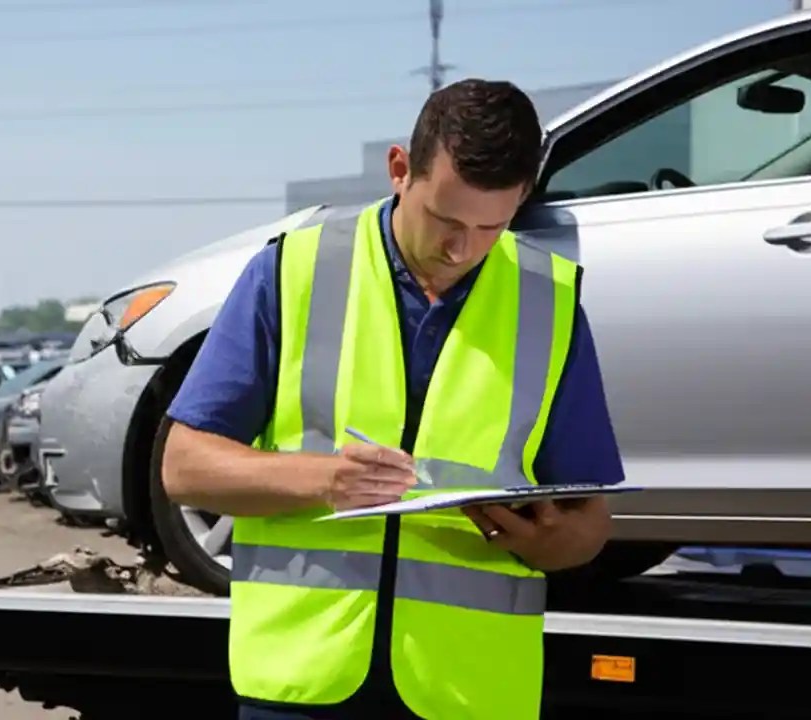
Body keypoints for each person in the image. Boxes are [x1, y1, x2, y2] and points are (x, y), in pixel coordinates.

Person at [159, 78, 625, 719]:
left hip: (469, 692)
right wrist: (327, 480)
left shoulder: (549, 303)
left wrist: (548, 542)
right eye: (445, 220)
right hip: (302, 683)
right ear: (400, 170)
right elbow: (184, 466)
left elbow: (590, 523)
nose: (462, 249)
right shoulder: (293, 270)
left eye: (491, 226)